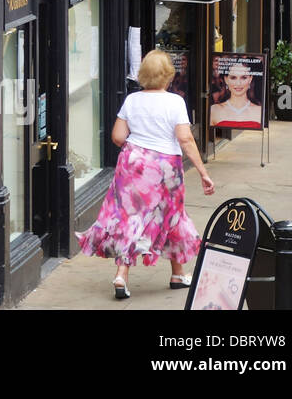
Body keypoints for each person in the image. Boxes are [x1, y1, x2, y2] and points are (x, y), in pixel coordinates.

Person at [77, 49, 214, 299]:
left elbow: (118, 137)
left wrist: (138, 148)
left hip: (133, 162)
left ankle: (126, 274)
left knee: (131, 217)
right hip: (165, 167)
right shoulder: (175, 102)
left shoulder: (132, 100)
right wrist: (203, 172)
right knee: (172, 215)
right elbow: (185, 138)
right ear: (168, 77)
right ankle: (175, 274)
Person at [209, 60, 263, 128]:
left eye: (243, 78)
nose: (238, 83)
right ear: (226, 80)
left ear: (250, 79)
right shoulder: (214, 110)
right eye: (233, 78)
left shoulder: (260, 111)